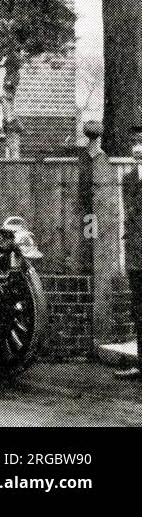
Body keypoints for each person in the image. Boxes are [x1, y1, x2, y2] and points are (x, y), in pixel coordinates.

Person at [117, 124, 142, 380]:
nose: (138, 148)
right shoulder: (128, 179)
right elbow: (130, 218)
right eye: (135, 143)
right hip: (136, 254)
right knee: (138, 309)